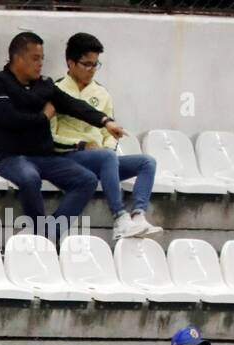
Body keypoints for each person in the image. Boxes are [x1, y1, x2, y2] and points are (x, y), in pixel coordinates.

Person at [0, 31, 129, 243]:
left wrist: (106, 121)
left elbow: (73, 105)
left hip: (44, 157)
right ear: (17, 58)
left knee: (86, 180)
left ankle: (49, 235)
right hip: (9, 157)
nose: (40, 63)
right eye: (35, 58)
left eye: (42, 58)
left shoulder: (44, 86)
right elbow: (10, 120)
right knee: (29, 177)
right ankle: (41, 235)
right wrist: (43, 116)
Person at [51, 32, 161, 239]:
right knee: (107, 158)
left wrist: (107, 148)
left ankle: (138, 215)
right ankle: (120, 217)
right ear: (70, 63)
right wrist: (82, 145)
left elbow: (108, 133)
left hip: (101, 158)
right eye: (87, 64)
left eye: (96, 65)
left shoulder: (102, 93)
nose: (92, 70)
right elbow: (50, 136)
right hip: (70, 156)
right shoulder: (56, 91)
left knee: (147, 162)